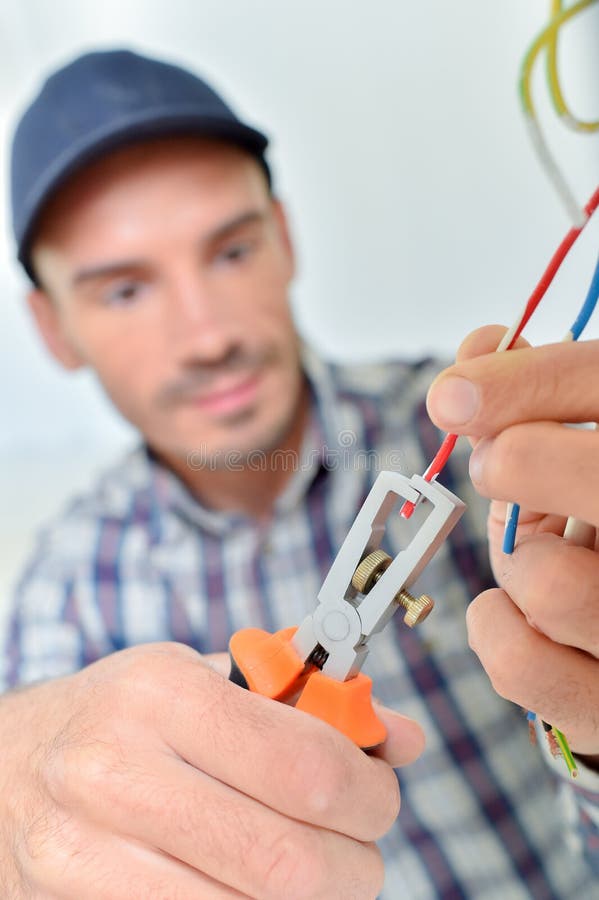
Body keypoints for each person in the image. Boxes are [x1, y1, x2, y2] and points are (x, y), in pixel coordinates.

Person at [1, 48, 597, 899]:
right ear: (52, 328)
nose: (207, 335)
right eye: (125, 291)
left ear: (283, 239)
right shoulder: (67, 592)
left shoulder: (487, 447)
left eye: (230, 252)